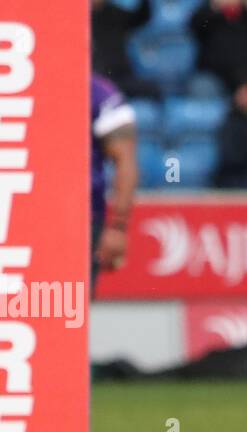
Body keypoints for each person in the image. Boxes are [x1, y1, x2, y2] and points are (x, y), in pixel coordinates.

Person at [90, 75, 138, 288]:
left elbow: (125, 160)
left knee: (67, 311)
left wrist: (118, 225)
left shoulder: (95, 91)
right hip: (21, 218)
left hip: (82, 222)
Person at [189, 0, 247, 93]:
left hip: (246, 76)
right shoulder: (210, 11)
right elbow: (194, 27)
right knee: (202, 88)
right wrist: (213, 8)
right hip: (212, 74)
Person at [91, 0, 159, 100]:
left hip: (121, 75)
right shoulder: (80, 19)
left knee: (152, 90)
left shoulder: (114, 13)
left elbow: (142, 17)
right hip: (100, 77)